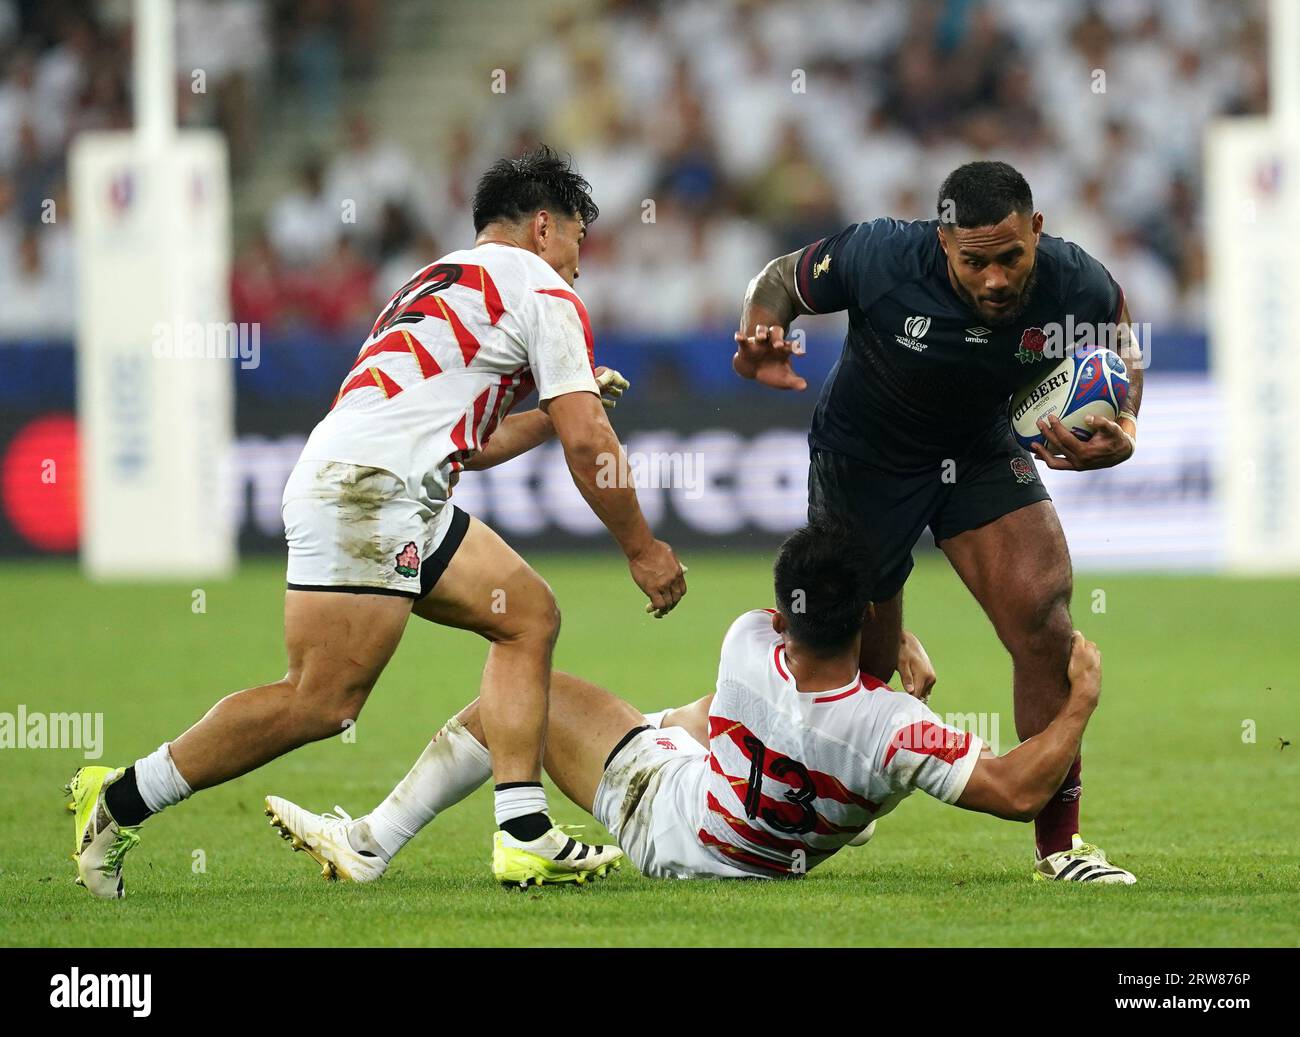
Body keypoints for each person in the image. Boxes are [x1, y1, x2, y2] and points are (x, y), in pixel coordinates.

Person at [66, 146, 687, 898]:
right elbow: (593, 443)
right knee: (320, 701)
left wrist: (555, 415)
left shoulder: (434, 281)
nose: (581, 266)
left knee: (527, 616)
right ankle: (118, 799)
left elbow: (477, 440)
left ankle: (523, 833)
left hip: (386, 484)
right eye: (581, 242)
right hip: (370, 492)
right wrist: (644, 548)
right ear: (546, 227)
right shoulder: (545, 292)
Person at [263, 519, 1128, 886]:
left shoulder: (747, 643)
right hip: (768, 836)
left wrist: (876, 635)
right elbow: (1018, 790)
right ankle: (837, 805)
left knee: (512, 693)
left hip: (662, 818)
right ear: (868, 612)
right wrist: (1078, 700)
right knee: (715, 729)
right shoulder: (900, 729)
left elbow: (777, 639)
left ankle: (372, 841)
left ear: (786, 610)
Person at [731, 160, 1140, 882]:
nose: (994, 280)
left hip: (980, 449)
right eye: (973, 262)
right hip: (865, 460)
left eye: (1011, 257)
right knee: (861, 672)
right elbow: (778, 279)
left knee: (1043, 614)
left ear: (1036, 232)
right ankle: (839, 776)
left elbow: (1121, 331)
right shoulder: (880, 256)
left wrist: (1128, 420)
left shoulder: (1073, 279)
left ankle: (1061, 847)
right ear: (943, 241)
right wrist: (761, 332)